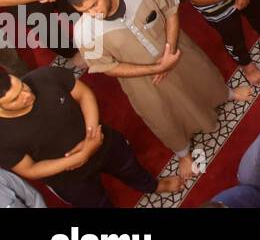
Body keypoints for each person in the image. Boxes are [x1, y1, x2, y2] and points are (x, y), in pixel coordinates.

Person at [66, 0, 250, 182]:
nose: (93, 13)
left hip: (175, 50)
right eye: (84, 11)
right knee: (161, 114)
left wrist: (168, 53)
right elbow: (107, 67)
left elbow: (170, 10)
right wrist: (154, 69)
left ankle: (226, 94)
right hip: (143, 80)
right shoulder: (83, 32)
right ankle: (183, 153)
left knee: (202, 75)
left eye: (94, 5)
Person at [0, 64, 183, 207]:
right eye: (15, 98)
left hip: (101, 140)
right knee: (96, 204)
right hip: (67, 178)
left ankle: (153, 186)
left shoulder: (44, 76)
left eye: (22, 86)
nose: (27, 93)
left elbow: (84, 94)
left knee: (129, 167)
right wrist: (82, 156)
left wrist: (91, 134)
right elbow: (30, 169)